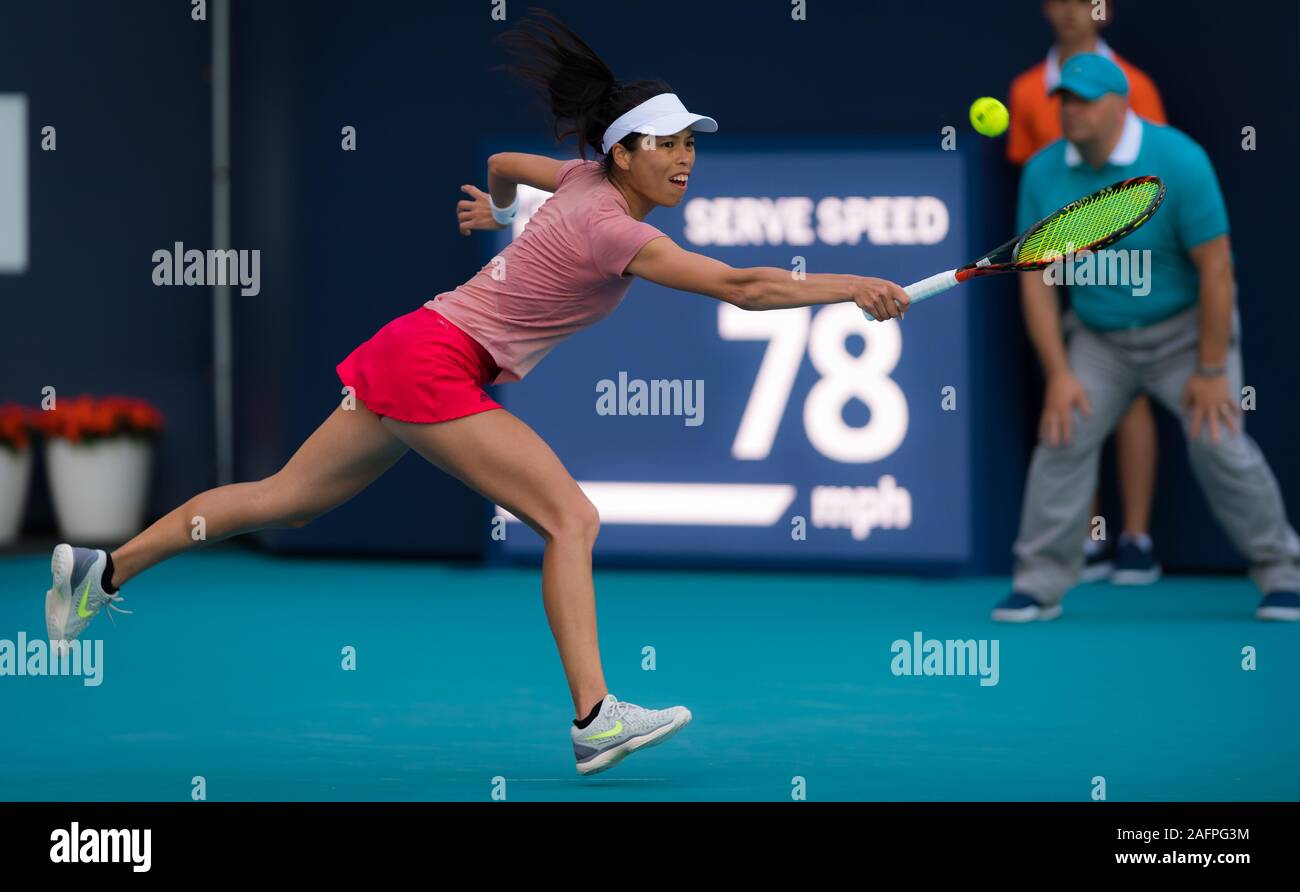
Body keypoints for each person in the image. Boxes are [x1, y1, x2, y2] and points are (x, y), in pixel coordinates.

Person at [42, 9, 912, 775]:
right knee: (571, 519)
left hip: (408, 346)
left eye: (693, 144)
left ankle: (100, 568)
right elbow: (743, 286)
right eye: (670, 145)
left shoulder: (578, 181)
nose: (687, 160)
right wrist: (855, 284)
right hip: (433, 361)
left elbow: (502, 163)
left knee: (287, 500)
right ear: (624, 153)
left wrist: (496, 213)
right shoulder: (613, 227)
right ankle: (594, 719)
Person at [992, 53, 1300, 623]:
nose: (1071, 112)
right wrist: (1058, 373)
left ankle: (1284, 572)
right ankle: (1038, 582)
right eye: (1064, 100)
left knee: (1219, 442)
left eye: (1085, 100)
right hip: (1098, 339)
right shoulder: (1042, 172)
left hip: (1185, 334)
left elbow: (1216, 270)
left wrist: (1210, 371)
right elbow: (1035, 282)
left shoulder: (1179, 161)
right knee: (1062, 435)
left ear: (1120, 104)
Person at [1008, 0, 1169, 585]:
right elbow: (1045, 180)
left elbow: (1153, 182)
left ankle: (1136, 538)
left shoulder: (1138, 86)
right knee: (1073, 400)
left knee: (1133, 400)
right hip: (1069, 277)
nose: (1072, 11)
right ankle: (1087, 537)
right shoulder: (1028, 91)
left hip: (1137, 271)